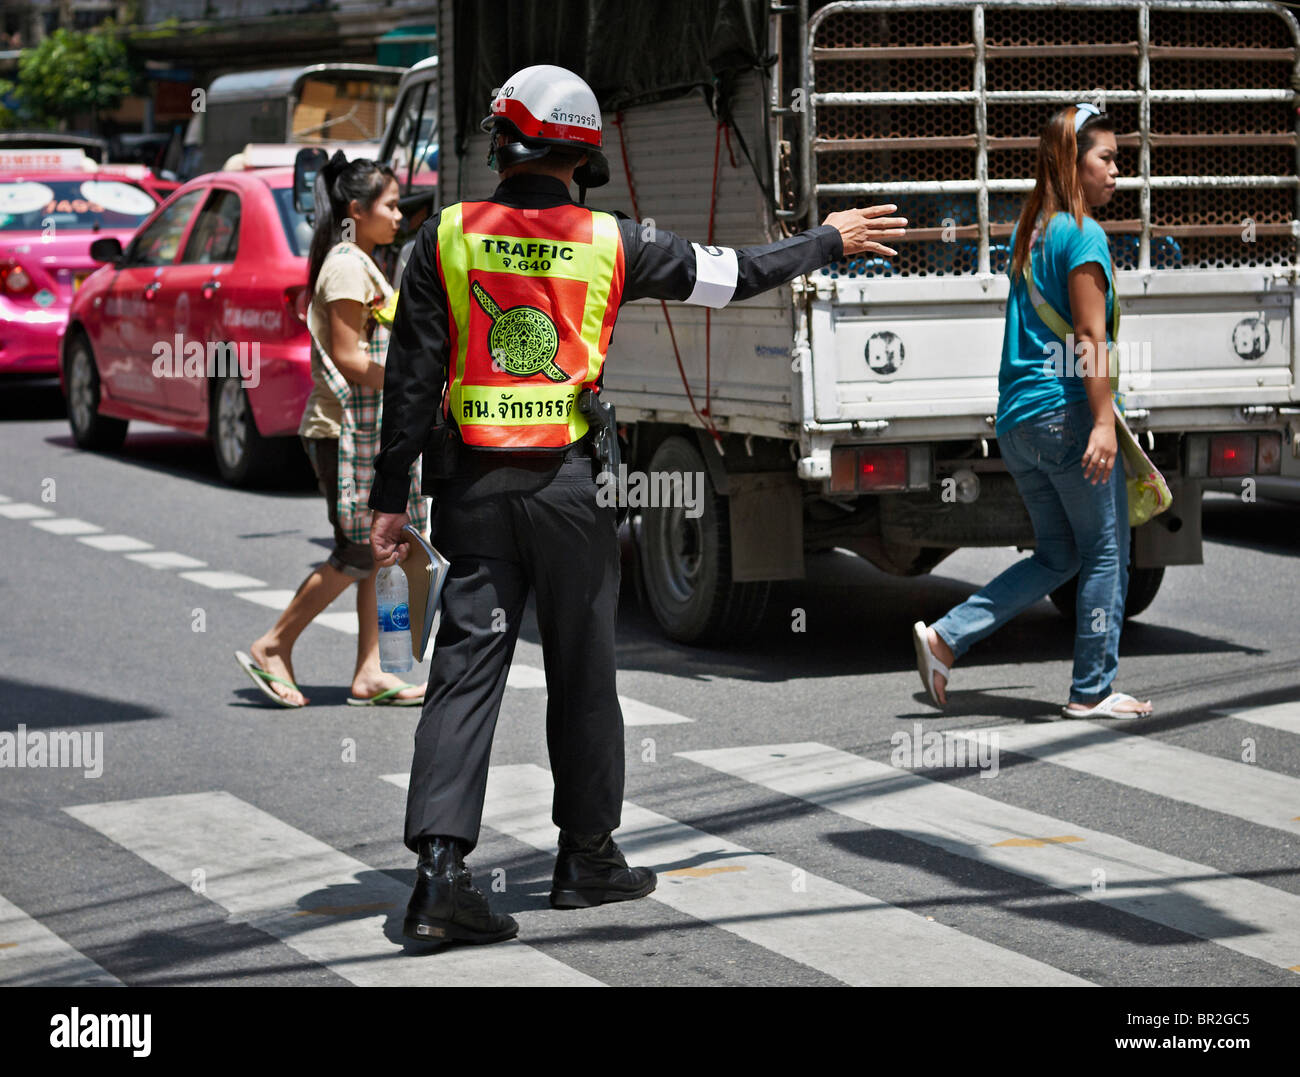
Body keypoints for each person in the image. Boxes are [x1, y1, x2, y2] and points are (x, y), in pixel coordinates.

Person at [367, 64, 908, 945]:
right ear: (583, 153)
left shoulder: (446, 236)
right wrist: (828, 240)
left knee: (463, 673)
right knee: (584, 672)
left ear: (502, 145)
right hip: (569, 487)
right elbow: (734, 276)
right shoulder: (612, 240)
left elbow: (409, 381)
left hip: (471, 487)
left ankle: (439, 876)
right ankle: (587, 859)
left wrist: (389, 500)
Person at [912, 103, 1154, 720]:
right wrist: (1102, 422)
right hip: (1066, 415)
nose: (1117, 173)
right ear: (1074, 163)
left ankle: (946, 636)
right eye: (1107, 159)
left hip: (1018, 422)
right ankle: (1092, 690)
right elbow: (1089, 338)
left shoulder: (1035, 232)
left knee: (1058, 554)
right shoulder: (1083, 234)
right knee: (1104, 552)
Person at [235, 154, 428, 709]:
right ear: (356, 210)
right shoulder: (346, 264)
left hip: (368, 427)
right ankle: (274, 645)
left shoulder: (361, 260)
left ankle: (371, 672)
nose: (399, 215)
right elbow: (349, 359)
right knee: (357, 553)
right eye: (390, 206)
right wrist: (417, 381)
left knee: (380, 550)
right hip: (343, 430)